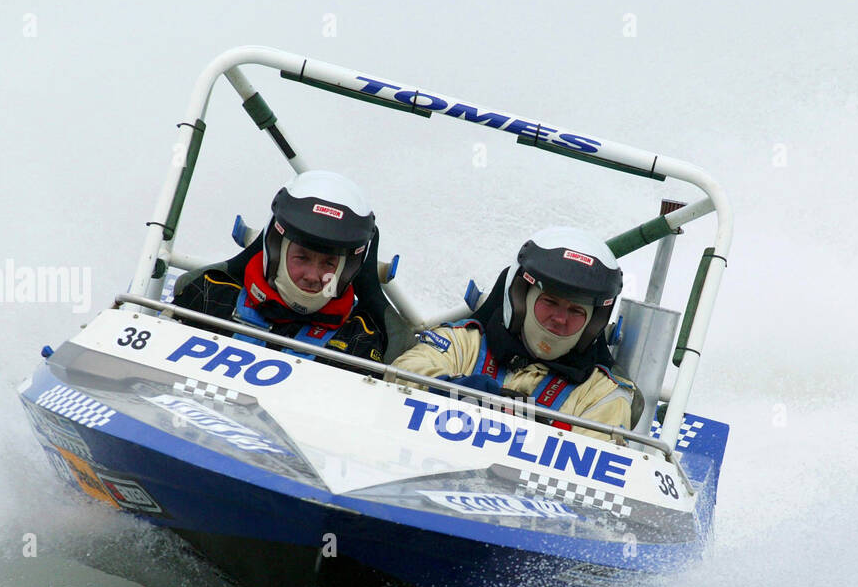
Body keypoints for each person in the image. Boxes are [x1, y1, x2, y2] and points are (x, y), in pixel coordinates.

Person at [392, 226, 639, 439]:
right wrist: (464, 392)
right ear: (520, 299)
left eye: (576, 311)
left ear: (594, 323)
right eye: (550, 302)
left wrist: (535, 428)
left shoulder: (603, 393)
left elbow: (595, 468)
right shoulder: (463, 343)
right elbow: (399, 376)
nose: (560, 319)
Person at [171, 170, 389, 362]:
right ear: (275, 250)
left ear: (347, 268)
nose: (313, 276)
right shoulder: (212, 294)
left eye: (329, 263)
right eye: (302, 258)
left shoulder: (358, 338)